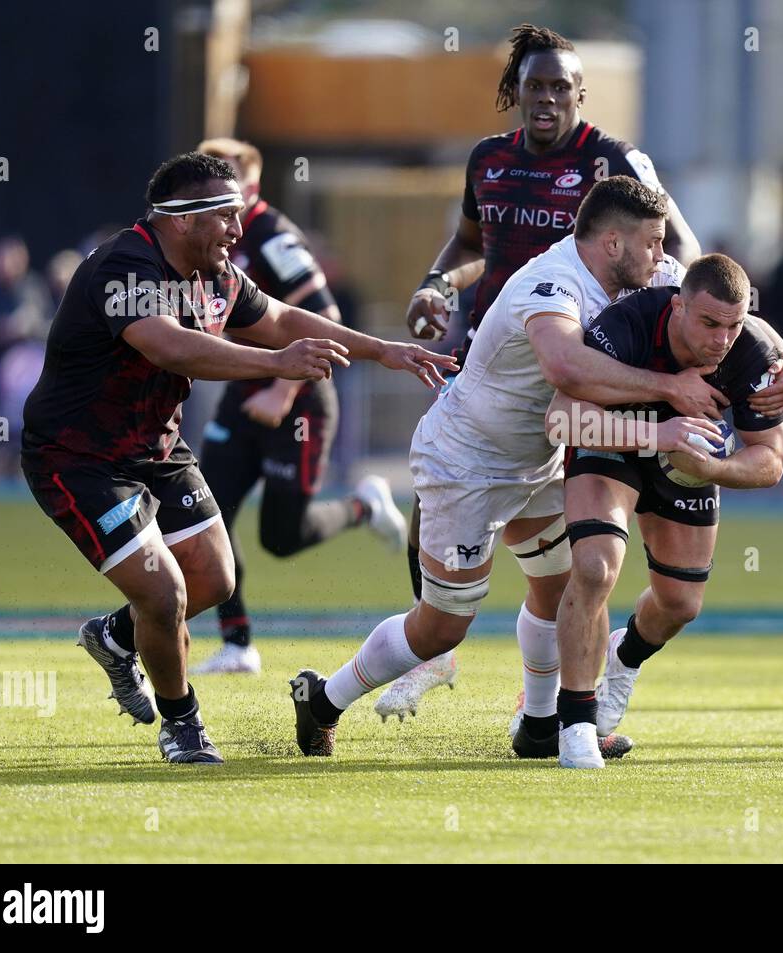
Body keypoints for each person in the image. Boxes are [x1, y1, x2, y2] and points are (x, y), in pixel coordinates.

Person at [20, 153, 456, 763]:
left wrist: (380, 350)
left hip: (158, 447)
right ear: (179, 219)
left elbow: (277, 317)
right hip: (79, 457)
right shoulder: (127, 265)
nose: (237, 228)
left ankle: (116, 638)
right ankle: (183, 725)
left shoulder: (214, 271)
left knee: (215, 580)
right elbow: (169, 346)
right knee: (165, 594)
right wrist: (278, 365)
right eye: (225, 215)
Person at [289, 177, 732, 760]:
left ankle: (540, 725)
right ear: (614, 244)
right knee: (442, 626)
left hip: (541, 462)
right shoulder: (550, 285)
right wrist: (669, 391)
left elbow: (727, 307)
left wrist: (781, 367)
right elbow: (566, 367)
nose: (661, 255)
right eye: (652, 243)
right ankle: (323, 699)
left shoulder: (642, 274)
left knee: (565, 587)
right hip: (467, 463)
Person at [378, 21, 718, 719]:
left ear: (581, 95)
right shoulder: (488, 159)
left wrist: (701, 328)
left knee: (568, 556)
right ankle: (442, 648)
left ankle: (552, 707)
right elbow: (470, 243)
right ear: (517, 91)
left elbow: (677, 243)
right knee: (440, 487)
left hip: (590, 365)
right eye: (534, 85)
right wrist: (437, 285)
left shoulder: (615, 159)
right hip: (495, 352)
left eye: (560, 87)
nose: (546, 98)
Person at [547, 254, 783, 767]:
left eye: (733, 325)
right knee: (594, 568)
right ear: (678, 306)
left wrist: (711, 469)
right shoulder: (628, 323)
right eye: (708, 323)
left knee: (680, 604)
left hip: (688, 464)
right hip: (614, 443)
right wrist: (657, 434)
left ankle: (623, 657)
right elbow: (561, 418)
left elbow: (770, 460)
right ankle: (574, 725)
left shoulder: (753, 354)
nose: (721, 339)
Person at [190, 138, 406, 676]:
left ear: (253, 183)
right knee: (204, 514)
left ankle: (363, 506)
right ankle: (238, 643)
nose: (215, 185)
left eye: (227, 174)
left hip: (300, 398)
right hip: (245, 393)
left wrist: (284, 389)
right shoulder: (201, 238)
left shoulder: (272, 235)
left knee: (281, 538)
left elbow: (319, 312)